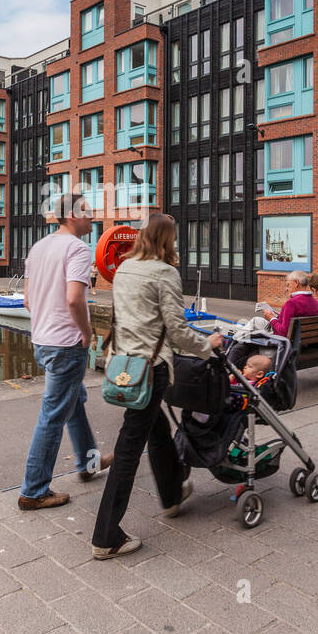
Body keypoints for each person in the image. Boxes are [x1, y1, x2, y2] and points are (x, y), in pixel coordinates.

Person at [92, 213, 222, 559]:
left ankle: (172, 495)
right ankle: (106, 536)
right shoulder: (165, 273)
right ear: (168, 239)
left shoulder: (125, 269)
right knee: (128, 451)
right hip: (152, 369)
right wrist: (209, 345)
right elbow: (177, 330)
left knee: (157, 429)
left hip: (125, 369)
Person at [18, 194, 111, 511]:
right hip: (66, 343)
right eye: (87, 211)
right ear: (72, 214)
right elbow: (74, 299)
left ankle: (88, 463)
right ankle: (33, 491)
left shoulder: (38, 247)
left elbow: (28, 301)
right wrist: (86, 332)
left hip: (42, 340)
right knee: (53, 416)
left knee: (74, 401)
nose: (93, 216)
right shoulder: (77, 249)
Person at [257, 270, 318, 337]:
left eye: (288, 285)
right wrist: (282, 315)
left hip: (287, 341)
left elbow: (283, 333)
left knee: (255, 321)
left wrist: (271, 318)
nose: (286, 289)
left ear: (296, 283)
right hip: (307, 339)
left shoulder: (291, 303)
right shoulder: (316, 302)